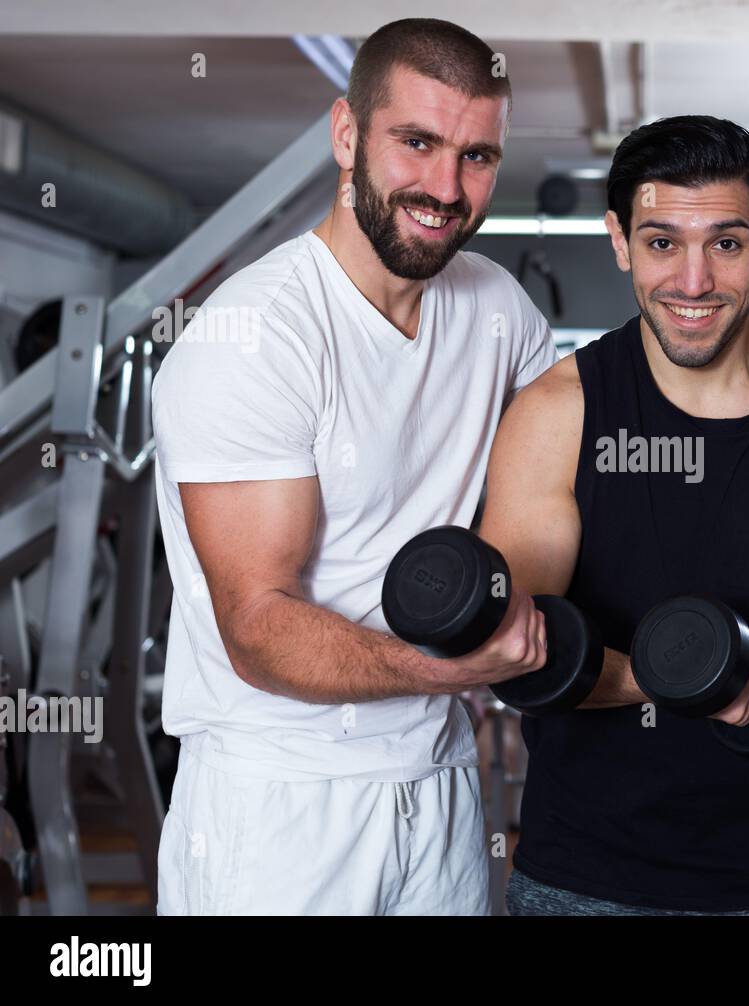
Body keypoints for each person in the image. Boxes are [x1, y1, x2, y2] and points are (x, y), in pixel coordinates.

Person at [151, 18, 555, 915]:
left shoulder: (496, 307)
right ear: (346, 134)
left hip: (440, 780)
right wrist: (450, 669)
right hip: (283, 805)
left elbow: (596, 447)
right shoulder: (256, 336)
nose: (446, 188)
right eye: (416, 142)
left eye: (477, 156)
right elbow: (259, 625)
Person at [479, 115, 749, 916]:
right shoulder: (558, 416)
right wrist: (699, 683)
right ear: (618, 239)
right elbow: (523, 648)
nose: (692, 281)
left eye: (725, 242)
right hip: (590, 877)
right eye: (661, 242)